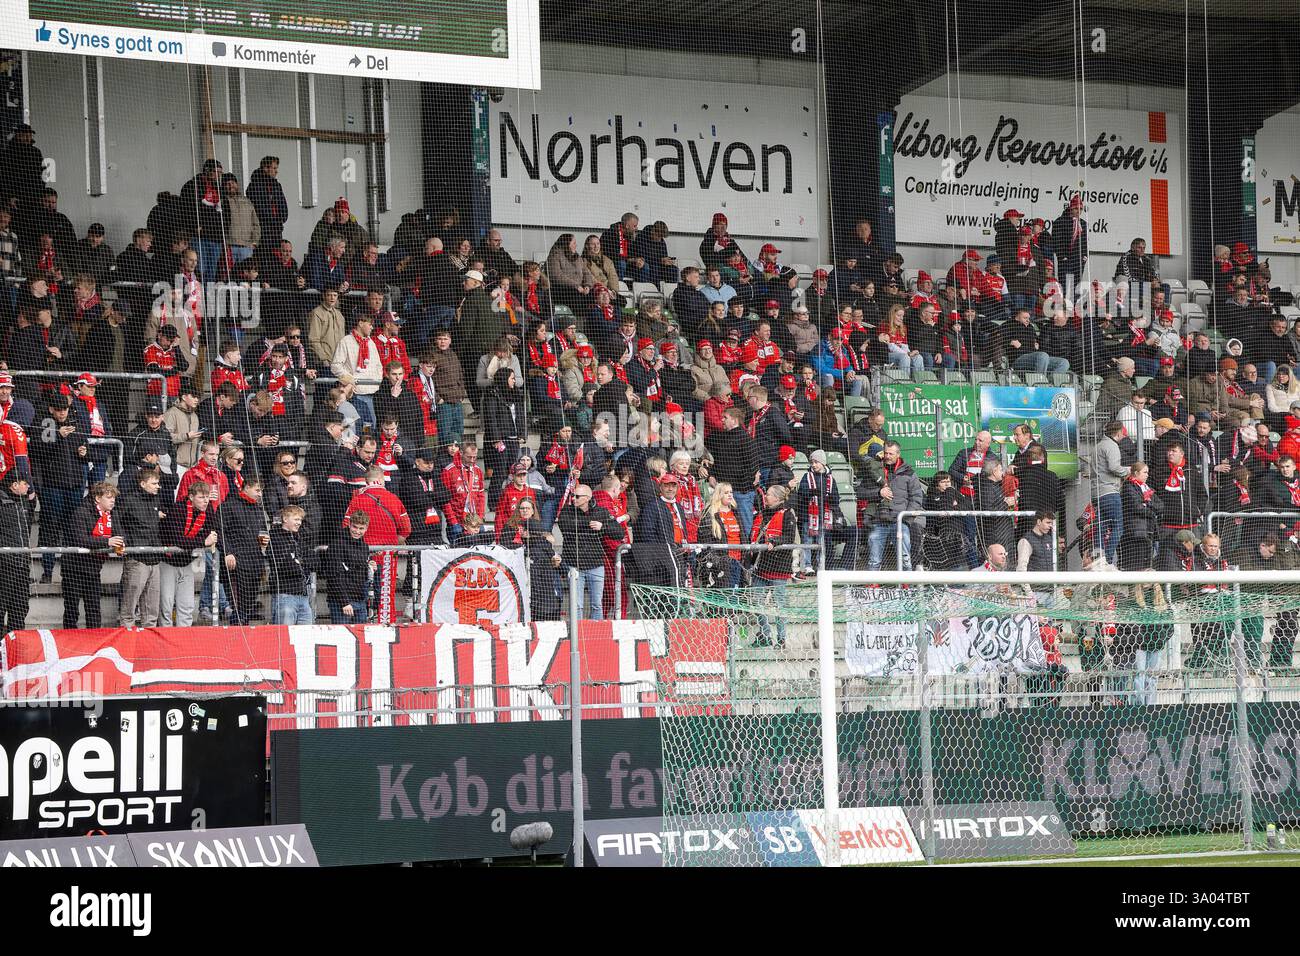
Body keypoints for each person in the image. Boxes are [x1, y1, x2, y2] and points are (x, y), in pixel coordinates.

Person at [556, 484, 623, 620]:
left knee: (596, 604)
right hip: (574, 565)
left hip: (596, 564)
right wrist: (590, 524)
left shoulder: (601, 511)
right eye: (572, 496)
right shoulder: (567, 511)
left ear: (587, 498)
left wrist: (602, 526)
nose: (573, 498)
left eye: (577, 496)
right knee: (577, 604)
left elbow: (619, 533)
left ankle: (595, 633)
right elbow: (566, 526)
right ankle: (578, 633)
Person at [63, 482, 124, 629]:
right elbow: (80, 539)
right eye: (109, 497)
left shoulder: (111, 515)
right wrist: (107, 541)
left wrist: (121, 544)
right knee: (72, 610)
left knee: (94, 609)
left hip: (93, 569)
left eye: (114, 498)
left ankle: (94, 642)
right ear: (97, 498)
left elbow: (120, 535)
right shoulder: (81, 512)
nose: (112, 501)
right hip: (74, 569)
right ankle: (69, 640)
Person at [159, 479, 218, 627]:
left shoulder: (208, 511)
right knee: (166, 604)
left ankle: (184, 635)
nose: (205, 501)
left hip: (186, 561)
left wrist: (201, 539)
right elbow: (177, 539)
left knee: (186, 605)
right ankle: (166, 634)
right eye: (201, 497)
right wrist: (202, 542)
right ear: (191, 497)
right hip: (168, 562)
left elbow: (212, 532)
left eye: (207, 497)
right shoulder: (178, 509)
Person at [862, 440, 925, 570]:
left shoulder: (908, 472)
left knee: (905, 558)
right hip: (878, 521)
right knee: (874, 559)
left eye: (891, 453)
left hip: (900, 521)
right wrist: (879, 493)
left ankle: (906, 587)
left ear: (898, 454)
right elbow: (861, 492)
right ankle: (873, 586)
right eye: (886, 453)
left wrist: (906, 520)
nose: (888, 456)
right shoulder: (874, 469)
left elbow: (917, 497)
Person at [117, 466, 166, 629]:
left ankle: (149, 638)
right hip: (136, 559)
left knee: (152, 606)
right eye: (154, 483)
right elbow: (117, 520)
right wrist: (125, 541)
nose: (158, 486)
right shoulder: (129, 500)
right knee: (130, 604)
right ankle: (126, 634)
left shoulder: (156, 501)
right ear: (142, 484)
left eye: (158, 483)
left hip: (154, 558)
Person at [750, 484, 798, 647]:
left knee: (779, 605)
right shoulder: (762, 514)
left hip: (779, 568)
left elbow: (789, 537)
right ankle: (765, 634)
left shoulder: (788, 514)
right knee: (757, 603)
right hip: (761, 567)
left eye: (769, 495)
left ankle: (781, 638)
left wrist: (774, 541)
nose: (766, 497)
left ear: (777, 498)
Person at [499, 497, 562, 620]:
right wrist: (522, 546)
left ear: (533, 510)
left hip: (539, 568)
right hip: (517, 567)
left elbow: (546, 542)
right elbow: (504, 544)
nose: (525, 511)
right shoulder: (510, 525)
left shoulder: (538, 526)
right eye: (522, 508)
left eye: (528, 508)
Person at [218, 476, 269, 625]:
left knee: (248, 605)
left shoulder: (258, 509)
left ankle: (242, 632)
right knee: (238, 606)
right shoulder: (228, 506)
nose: (260, 494)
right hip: (236, 564)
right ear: (246, 487)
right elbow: (220, 531)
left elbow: (263, 531)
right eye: (257, 490)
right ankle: (237, 635)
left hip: (254, 563)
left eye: (261, 491)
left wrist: (264, 540)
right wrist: (228, 552)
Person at [323, 510, 371, 624]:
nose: (357, 531)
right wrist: (344, 602)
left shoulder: (364, 547)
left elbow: (360, 574)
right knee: (342, 639)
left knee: (361, 638)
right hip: (341, 602)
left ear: (366, 528)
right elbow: (334, 575)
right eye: (355, 527)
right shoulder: (337, 544)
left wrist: (369, 567)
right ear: (349, 524)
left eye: (361, 528)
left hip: (360, 601)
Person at [0, 470, 33, 630]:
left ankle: (16, 646)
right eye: (25, 483)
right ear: (14, 485)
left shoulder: (24, 502)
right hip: (5, 565)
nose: (28, 486)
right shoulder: (1, 502)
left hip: (22, 565)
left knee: (20, 608)